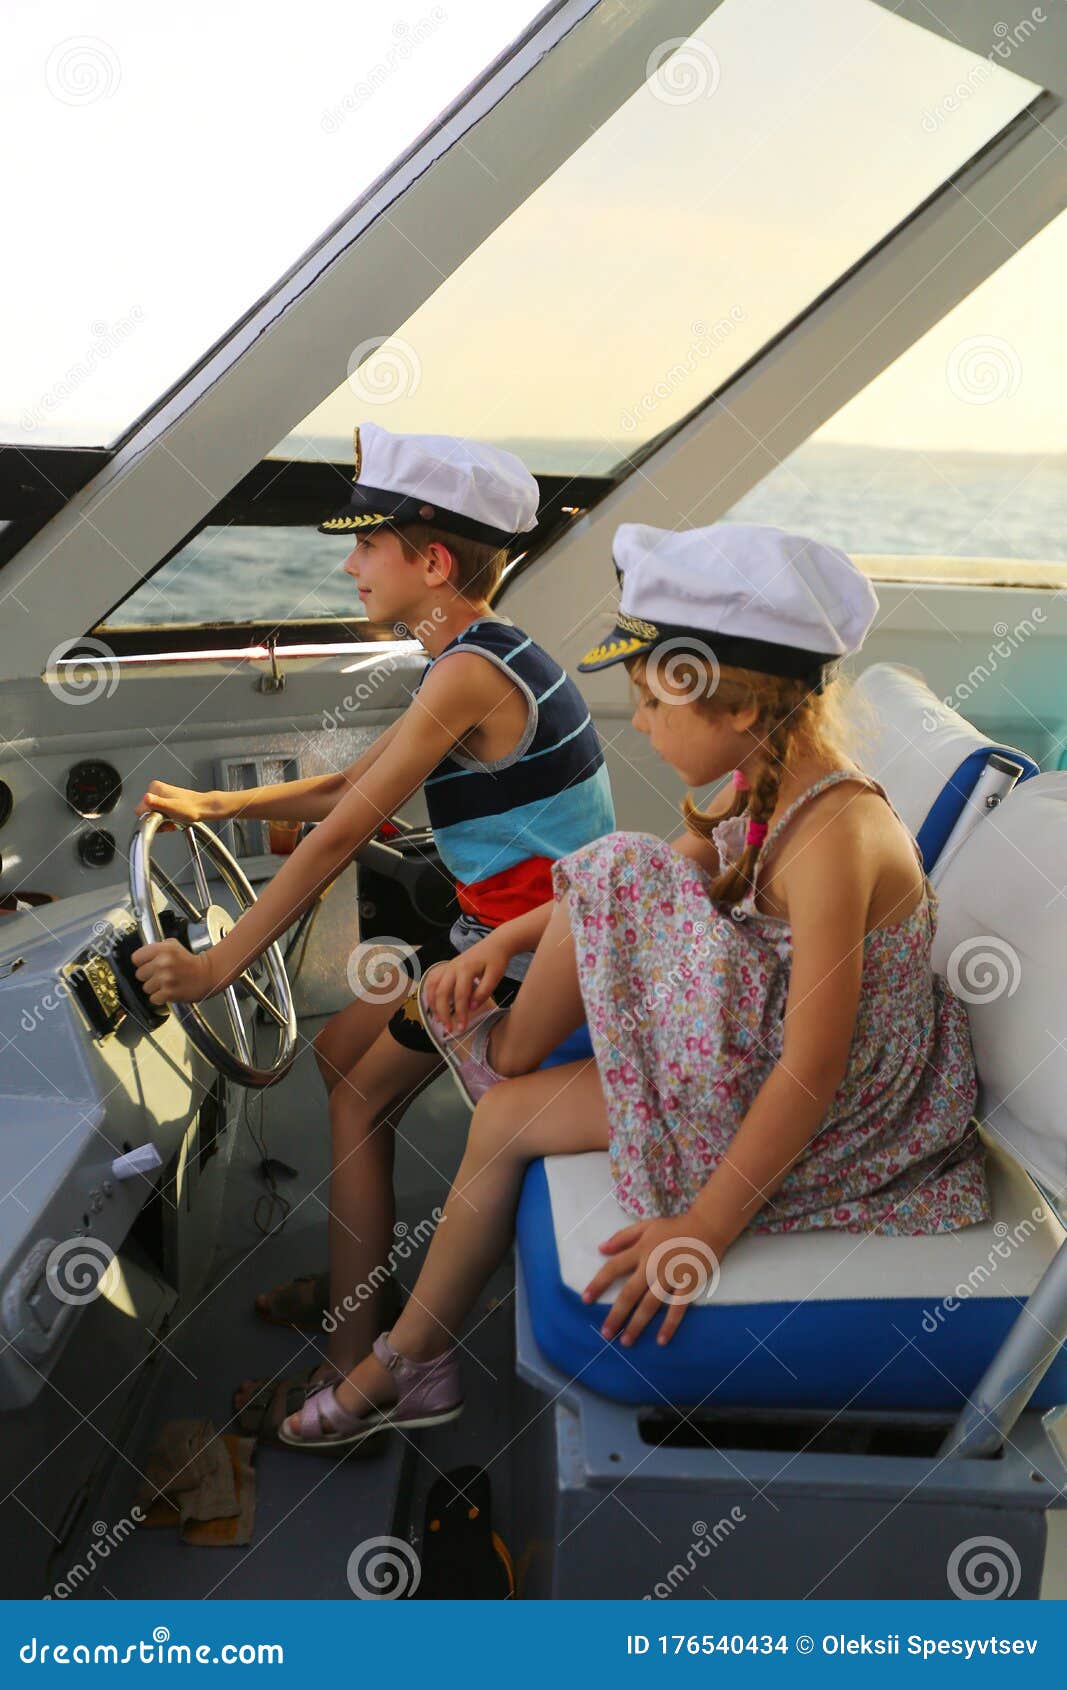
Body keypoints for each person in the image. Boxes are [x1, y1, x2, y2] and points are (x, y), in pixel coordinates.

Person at [275, 521, 989, 1451]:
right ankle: (417, 1362)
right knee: (513, 1100)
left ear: (739, 705)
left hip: (849, 1109)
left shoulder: (831, 835)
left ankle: (494, 1075)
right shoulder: (761, 777)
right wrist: (506, 942)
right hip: (764, 1040)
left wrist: (702, 1227)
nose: (641, 725)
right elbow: (662, 863)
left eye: (652, 701)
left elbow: (814, 1070)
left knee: (619, 863)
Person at [130, 422, 614, 1439]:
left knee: (354, 1087)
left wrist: (216, 967)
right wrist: (219, 808)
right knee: (341, 1057)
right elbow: (358, 782)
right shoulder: (482, 652)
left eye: (366, 546)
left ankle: (364, 1366)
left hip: (537, 964)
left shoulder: (467, 673)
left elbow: (344, 831)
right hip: (511, 937)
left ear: (430, 564)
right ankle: (365, 1293)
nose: (350, 567)